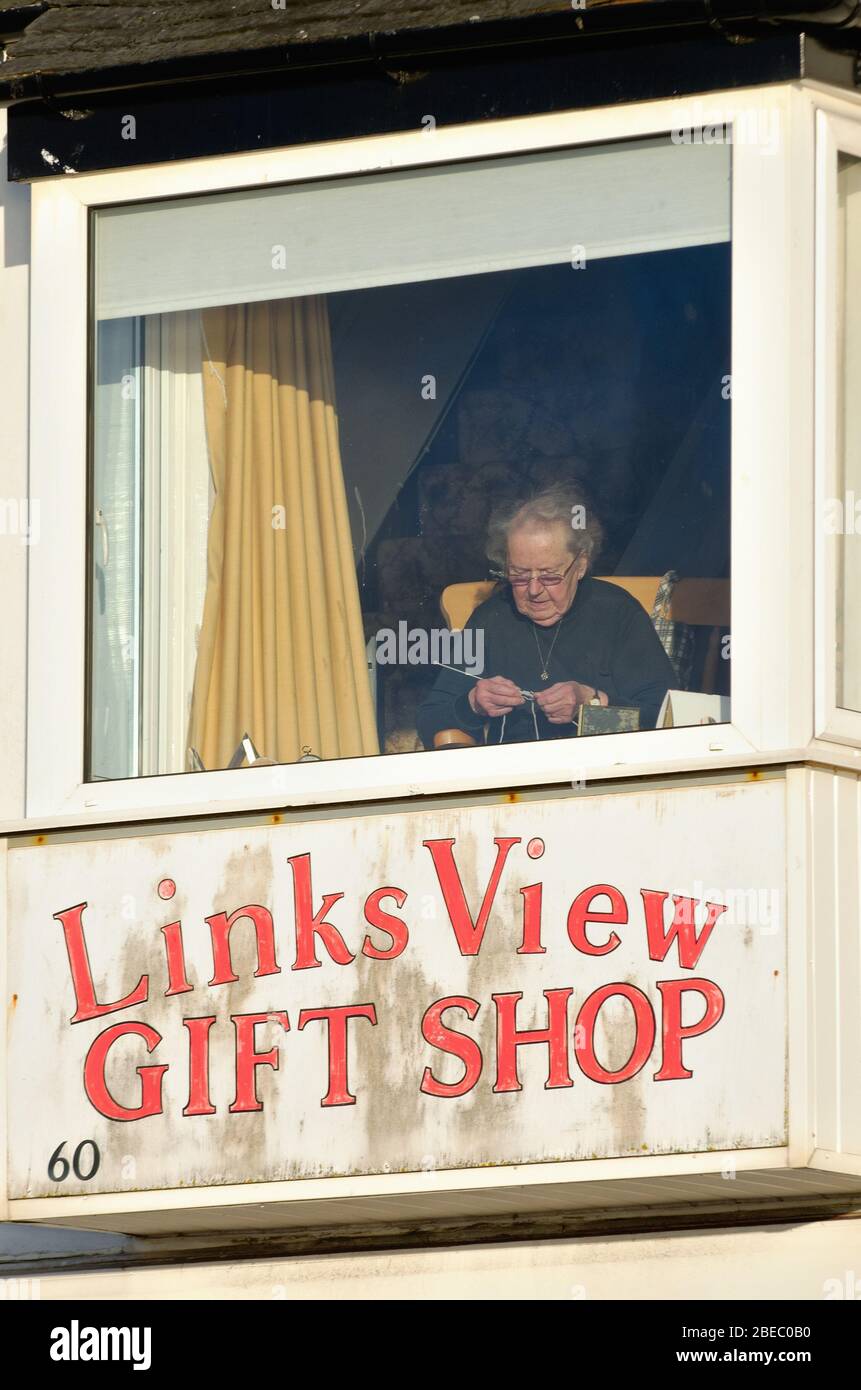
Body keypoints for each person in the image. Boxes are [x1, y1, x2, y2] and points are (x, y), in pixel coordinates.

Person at [417, 484, 676, 748]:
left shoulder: (617, 612)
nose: (533, 590)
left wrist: (592, 703)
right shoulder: (490, 618)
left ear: (581, 565)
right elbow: (431, 717)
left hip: (606, 771)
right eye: (518, 575)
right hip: (518, 780)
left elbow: (666, 716)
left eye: (549, 576)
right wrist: (473, 703)